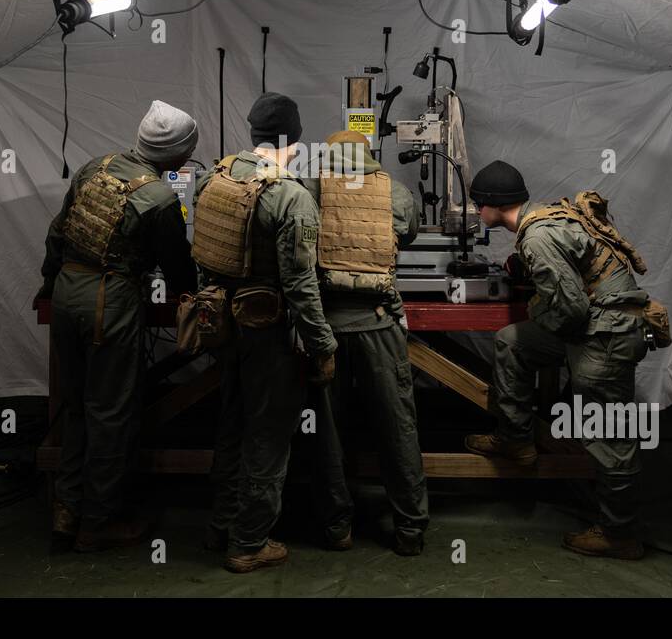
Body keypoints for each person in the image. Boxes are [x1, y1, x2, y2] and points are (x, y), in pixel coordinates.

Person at [463, 160, 651, 560]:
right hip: (591, 323)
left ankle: (620, 533)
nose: (477, 211)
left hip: (607, 335)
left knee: (611, 434)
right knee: (512, 341)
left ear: (494, 206)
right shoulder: (545, 217)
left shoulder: (537, 237)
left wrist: (536, 305)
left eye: (479, 204)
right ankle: (516, 440)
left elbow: (571, 309)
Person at [37, 100, 199, 552]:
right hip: (110, 301)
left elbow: (57, 233)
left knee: (74, 406)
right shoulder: (160, 198)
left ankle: (65, 512)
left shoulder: (95, 166)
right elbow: (178, 267)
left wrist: (49, 285)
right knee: (110, 412)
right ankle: (99, 521)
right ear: (177, 155)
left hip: (68, 290)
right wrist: (195, 295)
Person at [192, 92, 337, 573]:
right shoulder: (290, 194)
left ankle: (221, 526)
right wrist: (322, 344)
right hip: (267, 332)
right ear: (293, 141)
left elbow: (203, 253)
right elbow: (301, 282)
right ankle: (249, 543)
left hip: (221, 326)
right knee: (268, 435)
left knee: (231, 424)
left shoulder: (220, 175)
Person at [301, 130, 428, 556]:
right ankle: (410, 529)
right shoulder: (395, 192)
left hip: (325, 332)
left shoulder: (311, 188)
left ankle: (337, 528)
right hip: (379, 325)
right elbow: (406, 236)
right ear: (369, 155)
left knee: (326, 434)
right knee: (398, 429)